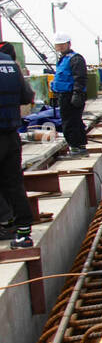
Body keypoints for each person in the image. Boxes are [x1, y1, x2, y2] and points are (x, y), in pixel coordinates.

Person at [0, 41, 35, 248]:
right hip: (11, 135)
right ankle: (23, 233)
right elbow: (26, 96)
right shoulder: (11, 65)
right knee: (13, 184)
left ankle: (6, 221)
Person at [50, 33, 87, 156]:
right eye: (58, 45)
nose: (60, 47)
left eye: (62, 44)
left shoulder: (75, 59)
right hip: (64, 94)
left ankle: (76, 147)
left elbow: (80, 78)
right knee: (72, 121)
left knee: (70, 122)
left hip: (71, 94)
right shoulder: (63, 59)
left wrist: (77, 93)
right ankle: (79, 146)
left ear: (68, 44)